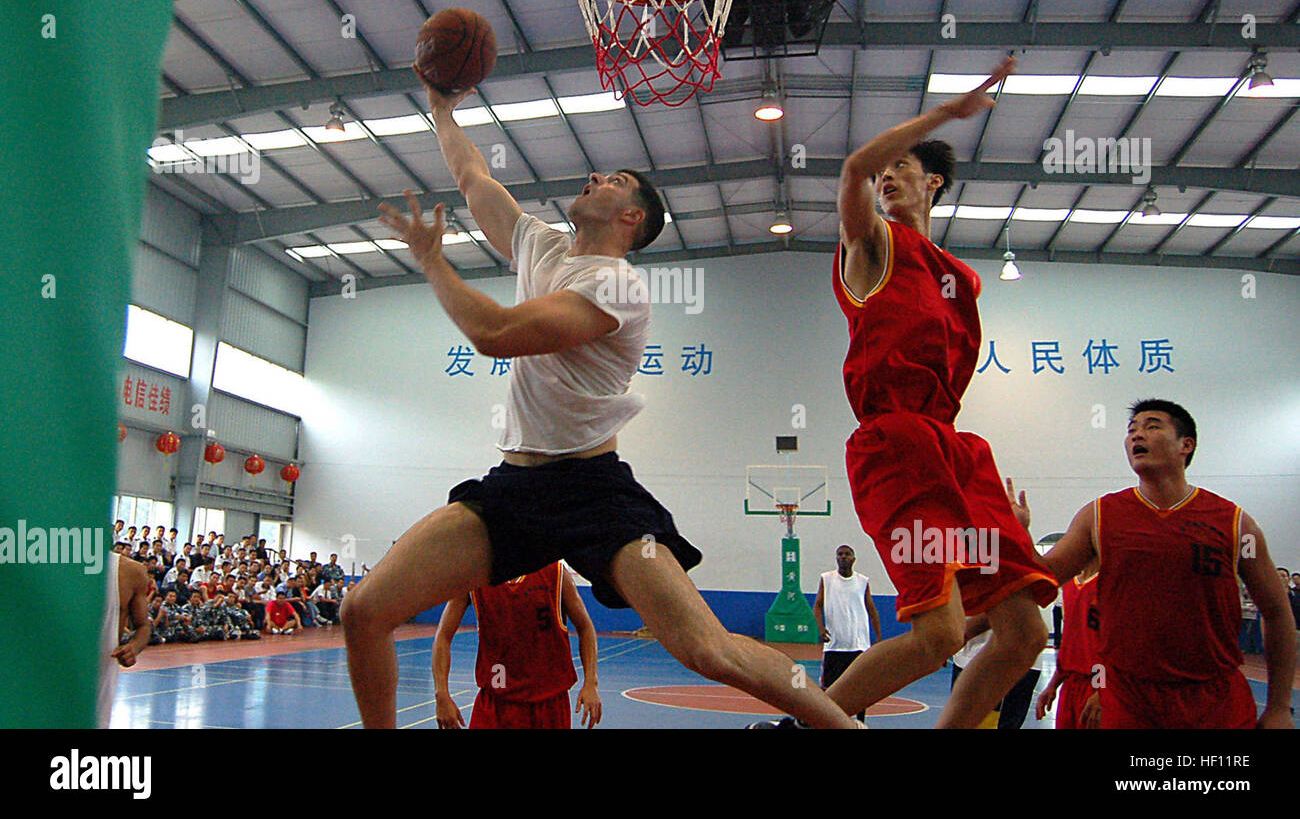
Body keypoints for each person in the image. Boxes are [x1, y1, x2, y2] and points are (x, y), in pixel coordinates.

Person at [340, 77, 861, 730]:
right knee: (363, 612)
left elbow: (497, 336)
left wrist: (432, 263)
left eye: (612, 179)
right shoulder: (542, 247)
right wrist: (442, 108)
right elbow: (474, 178)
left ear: (631, 217)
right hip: (514, 489)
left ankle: (846, 727)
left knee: (706, 648)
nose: (595, 175)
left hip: (593, 495)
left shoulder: (617, 285)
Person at [806, 57, 1057, 729]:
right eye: (887, 168)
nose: (888, 175)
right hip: (895, 441)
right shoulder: (871, 245)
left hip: (955, 447)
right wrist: (946, 114)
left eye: (904, 167)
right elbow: (855, 170)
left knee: (1026, 634)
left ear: (934, 182)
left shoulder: (960, 279)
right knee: (940, 636)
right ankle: (807, 721)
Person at [1034, 400, 1295, 729]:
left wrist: (1279, 707)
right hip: (1130, 701)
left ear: (1186, 445)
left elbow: (1276, 611)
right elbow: (1039, 577)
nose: (1136, 435)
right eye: (1131, 430)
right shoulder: (1099, 516)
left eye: (1151, 426)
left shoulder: (1234, 523)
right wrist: (1007, 533)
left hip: (1214, 701)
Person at [433, 562, 601, 729]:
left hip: (548, 704)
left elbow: (585, 627)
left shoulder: (556, 573)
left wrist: (591, 683)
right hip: (495, 703)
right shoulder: (475, 578)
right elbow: (443, 636)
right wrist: (441, 694)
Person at [813, 545, 882, 722]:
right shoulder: (827, 579)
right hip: (835, 644)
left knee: (860, 687)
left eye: (847, 554)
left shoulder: (862, 581)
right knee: (828, 688)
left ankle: (860, 721)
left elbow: (872, 610)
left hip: (858, 644)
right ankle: (826, 721)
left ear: (854, 558)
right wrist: (821, 628)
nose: (843, 557)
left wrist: (879, 638)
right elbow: (818, 606)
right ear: (836, 558)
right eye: (840, 554)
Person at [1035, 563, 1101, 728]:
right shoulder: (1069, 584)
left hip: (1098, 683)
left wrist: (1103, 690)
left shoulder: (1110, 581)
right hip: (1070, 684)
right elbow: (1070, 642)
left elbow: (1118, 645)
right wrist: (1053, 684)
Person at [99, 552, 152, 727]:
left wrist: (134, 647)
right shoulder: (45, 566)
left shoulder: (130, 571)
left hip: (101, 674)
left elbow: (143, 626)